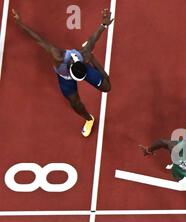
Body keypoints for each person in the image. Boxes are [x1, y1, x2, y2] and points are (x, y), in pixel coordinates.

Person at [12, 8, 114, 137]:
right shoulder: (58, 56)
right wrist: (19, 23)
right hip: (64, 78)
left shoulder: (83, 55)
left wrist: (103, 24)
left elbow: (94, 38)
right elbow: (38, 39)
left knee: (107, 87)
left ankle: (93, 58)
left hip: (84, 64)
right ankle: (89, 119)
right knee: (74, 103)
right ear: (70, 68)